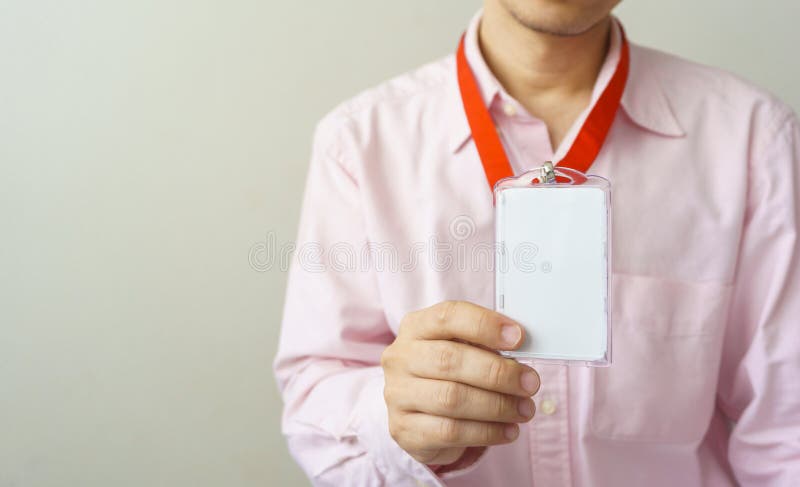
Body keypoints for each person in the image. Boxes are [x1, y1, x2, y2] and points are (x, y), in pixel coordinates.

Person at [274, 0, 800, 485]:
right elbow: (316, 400)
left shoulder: (753, 139)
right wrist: (392, 417)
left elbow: (787, 431)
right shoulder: (358, 145)